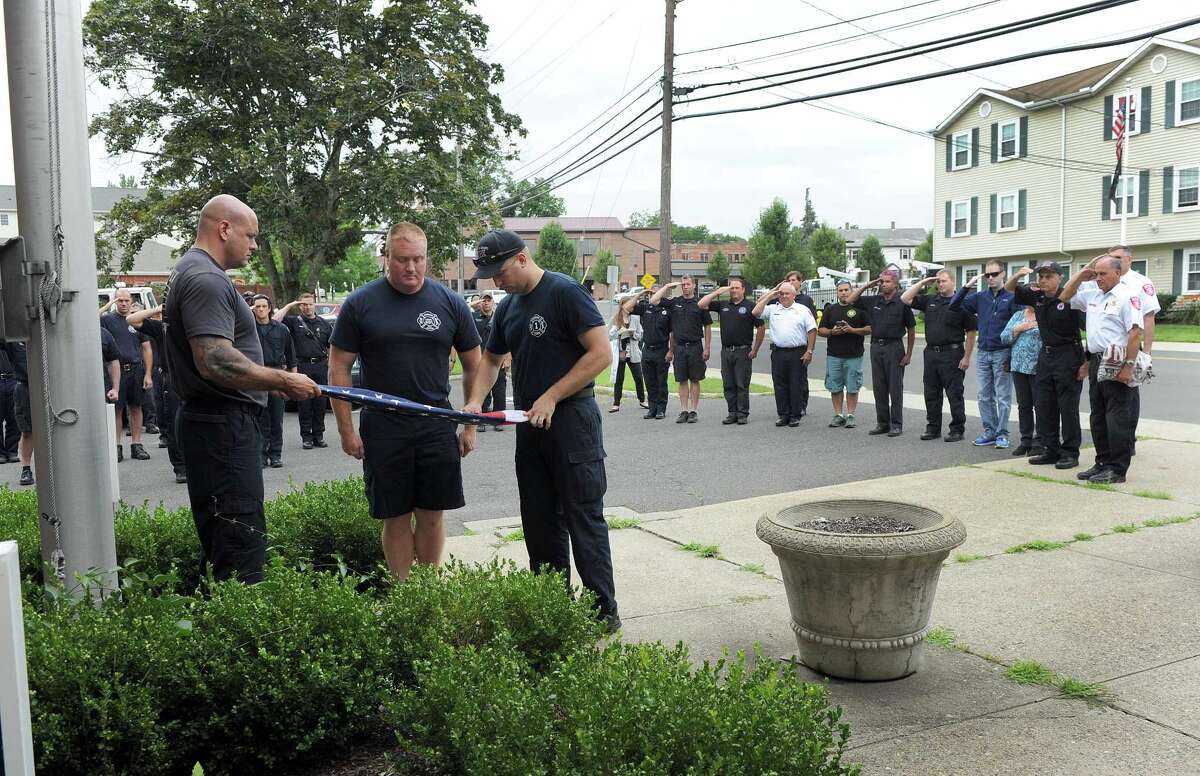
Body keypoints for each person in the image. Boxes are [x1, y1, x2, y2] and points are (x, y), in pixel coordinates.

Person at [463, 228, 620, 632]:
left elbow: (601, 353)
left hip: (571, 420)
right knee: (539, 520)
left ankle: (602, 611)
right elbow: (492, 360)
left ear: (521, 257)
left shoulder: (565, 292)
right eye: (489, 275)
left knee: (582, 516)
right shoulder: (508, 307)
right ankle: (552, 605)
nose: (496, 281)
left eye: (499, 271)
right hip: (530, 427)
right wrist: (475, 402)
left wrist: (551, 395)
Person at [164, 194, 320, 584]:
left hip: (215, 424)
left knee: (225, 541)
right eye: (250, 236)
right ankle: (244, 638)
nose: (253, 245)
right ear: (224, 229)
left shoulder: (191, 269)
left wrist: (264, 381)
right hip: (223, 428)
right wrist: (283, 379)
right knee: (240, 548)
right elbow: (215, 360)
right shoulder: (206, 279)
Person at [329, 222, 481, 580]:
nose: (410, 268)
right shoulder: (360, 303)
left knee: (431, 514)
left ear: (427, 258)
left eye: (418, 259)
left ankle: (426, 590)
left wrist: (470, 421)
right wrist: (346, 431)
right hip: (384, 427)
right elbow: (337, 369)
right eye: (401, 260)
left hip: (436, 425)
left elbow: (475, 365)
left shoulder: (449, 302)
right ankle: (403, 594)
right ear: (386, 258)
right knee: (394, 515)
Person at [1061, 258, 1142, 484]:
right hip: (1097, 360)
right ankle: (1102, 462)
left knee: (1116, 417)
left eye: (1103, 274)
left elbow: (1135, 334)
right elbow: (1064, 297)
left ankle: (1117, 469)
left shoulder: (1128, 296)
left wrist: (1128, 366)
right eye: (1096, 274)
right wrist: (1081, 274)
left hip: (1117, 360)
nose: (1098, 278)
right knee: (1098, 416)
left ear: (1117, 273)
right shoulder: (1093, 294)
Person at [1004, 263, 1086, 470]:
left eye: (1049, 276)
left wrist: (1087, 361)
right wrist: (1018, 275)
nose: (1043, 280)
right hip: (1046, 355)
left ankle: (1069, 452)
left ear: (1060, 277)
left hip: (1068, 354)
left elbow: (1089, 327)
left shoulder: (1070, 298)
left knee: (1067, 408)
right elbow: (1009, 288)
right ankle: (1050, 449)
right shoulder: (1036, 296)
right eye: (1041, 277)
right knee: (1044, 406)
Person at [901, 271, 976, 443]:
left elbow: (971, 332)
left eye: (943, 281)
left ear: (953, 282)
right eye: (938, 281)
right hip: (931, 353)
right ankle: (933, 428)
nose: (940, 284)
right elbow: (905, 299)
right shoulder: (930, 300)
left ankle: (957, 429)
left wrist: (967, 357)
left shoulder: (963, 303)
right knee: (931, 393)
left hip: (952, 353)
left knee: (954, 393)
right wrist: (923, 282)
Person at [949, 261, 1016, 449]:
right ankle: (990, 431)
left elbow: (1016, 326)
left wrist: (1011, 352)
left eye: (995, 274)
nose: (991, 278)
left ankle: (1002, 433)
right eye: (987, 275)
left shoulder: (1011, 298)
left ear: (1003, 274)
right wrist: (967, 286)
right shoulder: (980, 297)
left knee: (1003, 396)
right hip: (984, 352)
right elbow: (954, 305)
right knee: (983, 395)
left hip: (1002, 352)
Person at [849, 271, 916, 437]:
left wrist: (908, 354)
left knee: (895, 387)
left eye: (887, 281)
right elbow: (850, 300)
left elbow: (912, 330)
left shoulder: (902, 301)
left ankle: (896, 424)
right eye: (881, 282)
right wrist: (867, 285)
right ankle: (882, 423)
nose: (883, 284)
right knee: (879, 388)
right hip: (876, 347)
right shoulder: (874, 300)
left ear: (895, 284)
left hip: (894, 347)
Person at [126, 304, 187, 482]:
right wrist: (158, 309)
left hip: (195, 380)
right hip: (172, 379)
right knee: (175, 424)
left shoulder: (195, 328)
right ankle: (180, 468)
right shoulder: (162, 328)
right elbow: (132, 319)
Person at [699, 278, 765, 425]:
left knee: (741, 384)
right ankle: (732, 412)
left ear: (743, 290)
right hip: (726, 351)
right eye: (731, 288)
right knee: (728, 384)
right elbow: (701, 304)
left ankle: (742, 413)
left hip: (743, 351)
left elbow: (761, 327)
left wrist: (755, 349)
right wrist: (718, 291)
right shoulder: (723, 305)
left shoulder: (750, 306)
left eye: (736, 288)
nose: (733, 290)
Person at [752, 281, 817, 427]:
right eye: (781, 293)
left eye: (787, 293)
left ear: (794, 295)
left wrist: (810, 350)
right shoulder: (773, 309)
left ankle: (795, 415)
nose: (783, 296)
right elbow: (755, 312)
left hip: (797, 352)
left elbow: (812, 330)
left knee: (795, 384)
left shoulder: (802, 309)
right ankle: (783, 414)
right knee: (780, 385)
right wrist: (771, 295)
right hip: (778, 353)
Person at [275, 292, 335, 448]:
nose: (308, 307)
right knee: (304, 403)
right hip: (302, 366)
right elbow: (275, 320)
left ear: (314, 304)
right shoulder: (293, 322)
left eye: (310, 304)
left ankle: (319, 435)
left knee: (320, 402)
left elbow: (332, 347)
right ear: (300, 306)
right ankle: (306, 437)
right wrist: (289, 305)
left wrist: (330, 365)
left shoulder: (323, 323)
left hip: (321, 366)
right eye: (304, 304)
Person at [100, 289, 154, 462]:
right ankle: (116, 447)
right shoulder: (107, 320)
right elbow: (89, 319)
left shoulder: (138, 321)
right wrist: (107, 305)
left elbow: (147, 348)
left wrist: (148, 374)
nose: (123, 303)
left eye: (126, 300)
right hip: (116, 371)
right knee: (117, 409)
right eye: (120, 300)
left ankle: (137, 445)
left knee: (136, 407)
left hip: (136, 369)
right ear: (115, 301)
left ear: (131, 301)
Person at [651, 276, 711, 424]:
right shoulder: (675, 302)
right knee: (682, 380)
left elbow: (708, 326)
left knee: (695, 379)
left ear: (694, 286)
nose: (685, 287)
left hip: (695, 346)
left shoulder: (700, 303)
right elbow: (654, 300)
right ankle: (684, 410)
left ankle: (693, 411)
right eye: (683, 284)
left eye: (688, 284)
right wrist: (668, 286)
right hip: (679, 347)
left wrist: (707, 347)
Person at [252, 295, 297, 468]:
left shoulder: (282, 329)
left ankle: (276, 454)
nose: (261, 309)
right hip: (256, 375)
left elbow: (291, 357)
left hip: (277, 374)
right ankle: (261, 455)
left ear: (270, 308)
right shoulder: (248, 329)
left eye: (264, 306)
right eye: (257, 306)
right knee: (259, 418)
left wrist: (292, 381)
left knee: (277, 418)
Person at [817, 280, 869, 429]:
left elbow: (869, 328)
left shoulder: (860, 309)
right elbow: (821, 330)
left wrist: (852, 330)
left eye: (846, 290)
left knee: (852, 387)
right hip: (834, 355)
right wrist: (832, 332)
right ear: (837, 292)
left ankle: (851, 415)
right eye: (840, 290)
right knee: (835, 387)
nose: (844, 293)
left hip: (854, 355)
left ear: (851, 291)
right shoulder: (830, 310)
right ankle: (838, 415)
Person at [1000, 304, 1045, 458]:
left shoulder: (1044, 313)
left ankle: (1039, 441)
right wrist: (1019, 328)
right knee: (1024, 406)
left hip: (1038, 367)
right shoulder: (1019, 315)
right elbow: (1004, 337)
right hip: (1018, 366)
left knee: (1041, 405)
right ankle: (1025, 440)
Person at [467, 292, 511, 432]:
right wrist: (472, 304)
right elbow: (461, 311)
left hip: (498, 360)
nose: (486, 303)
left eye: (488, 300)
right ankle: (482, 419)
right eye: (484, 300)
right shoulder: (474, 318)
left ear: (493, 302)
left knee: (499, 392)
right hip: (480, 362)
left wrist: (508, 358)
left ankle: (498, 420)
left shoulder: (500, 318)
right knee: (482, 392)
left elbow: (508, 338)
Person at [632, 284, 671, 419]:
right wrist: (640, 293)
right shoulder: (645, 308)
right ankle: (652, 408)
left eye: (655, 293)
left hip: (662, 350)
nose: (652, 296)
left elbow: (673, 333)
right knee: (650, 381)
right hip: (647, 349)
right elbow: (627, 307)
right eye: (651, 293)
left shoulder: (667, 310)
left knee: (661, 382)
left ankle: (661, 409)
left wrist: (671, 351)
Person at [607, 294, 646, 413]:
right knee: (619, 378)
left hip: (633, 352)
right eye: (629, 304)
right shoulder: (615, 319)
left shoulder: (635, 318)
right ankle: (616, 403)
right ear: (623, 305)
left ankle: (642, 400)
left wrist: (632, 334)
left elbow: (640, 336)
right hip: (620, 353)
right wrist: (619, 332)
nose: (632, 307)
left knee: (638, 377)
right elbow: (609, 336)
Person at [2, 342, 34, 485]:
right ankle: (26, 469)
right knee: (27, 431)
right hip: (24, 386)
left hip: (53, 384)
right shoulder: (15, 337)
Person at [0, 347, 19, 463]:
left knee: (14, 418)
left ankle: (12, 451)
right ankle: (1, 453)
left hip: (12, 378)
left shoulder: (8, 333)